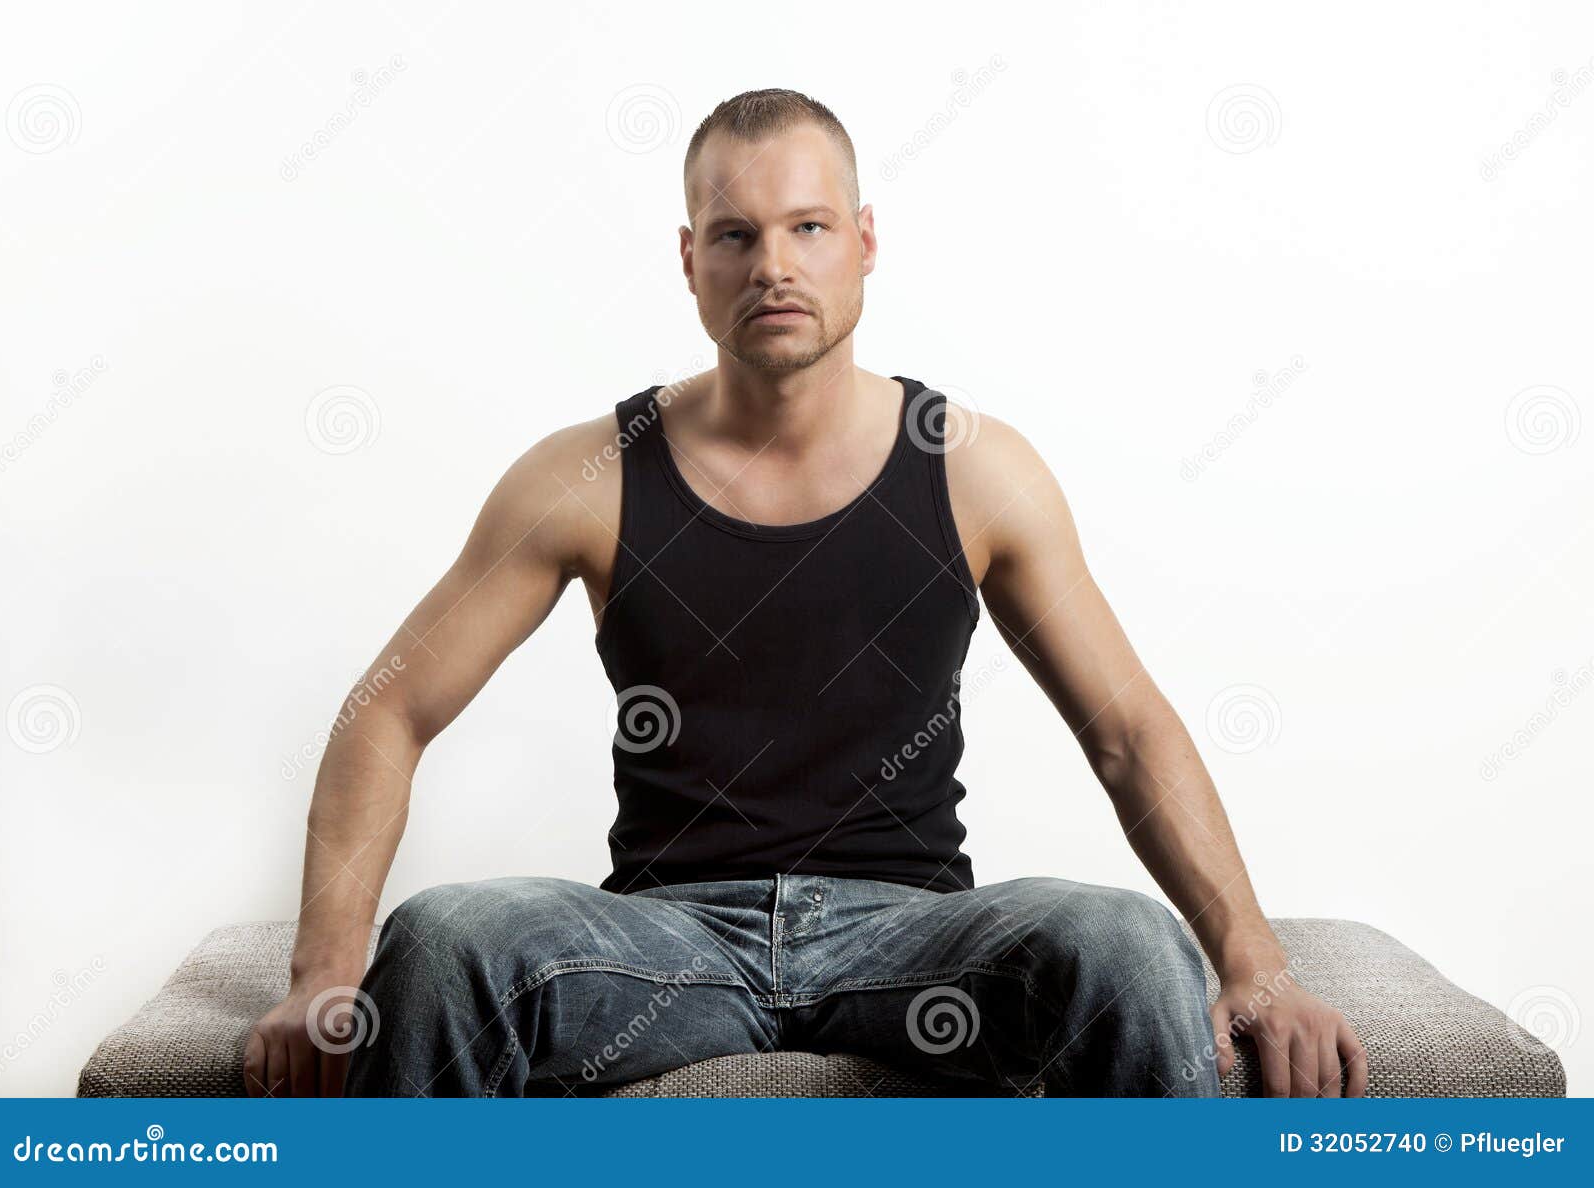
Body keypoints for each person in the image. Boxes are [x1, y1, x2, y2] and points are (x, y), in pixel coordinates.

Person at [245, 88, 1366, 1099]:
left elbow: (1127, 731)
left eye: (808, 228)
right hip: (660, 944)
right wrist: (325, 971)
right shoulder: (584, 476)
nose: (773, 265)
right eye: (735, 236)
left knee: (1128, 946)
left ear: (864, 243)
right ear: (690, 261)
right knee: (444, 937)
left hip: (919, 943)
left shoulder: (973, 467)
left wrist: (1256, 967)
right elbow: (390, 708)